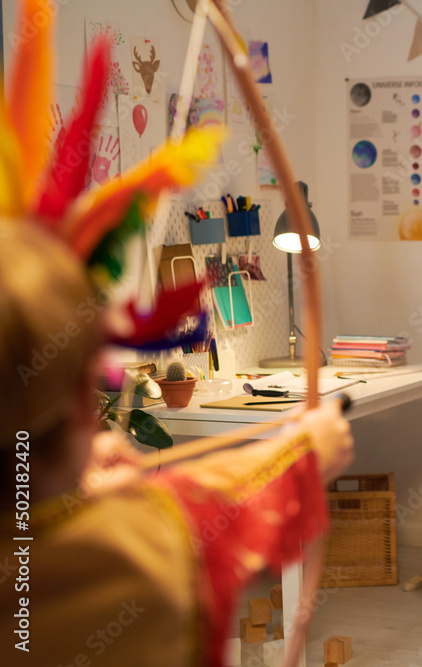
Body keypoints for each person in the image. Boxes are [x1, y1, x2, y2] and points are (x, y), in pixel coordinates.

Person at [0, 219, 354, 666]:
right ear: (82, 403)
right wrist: (307, 450)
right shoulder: (141, 549)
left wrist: (85, 487)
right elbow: (223, 499)